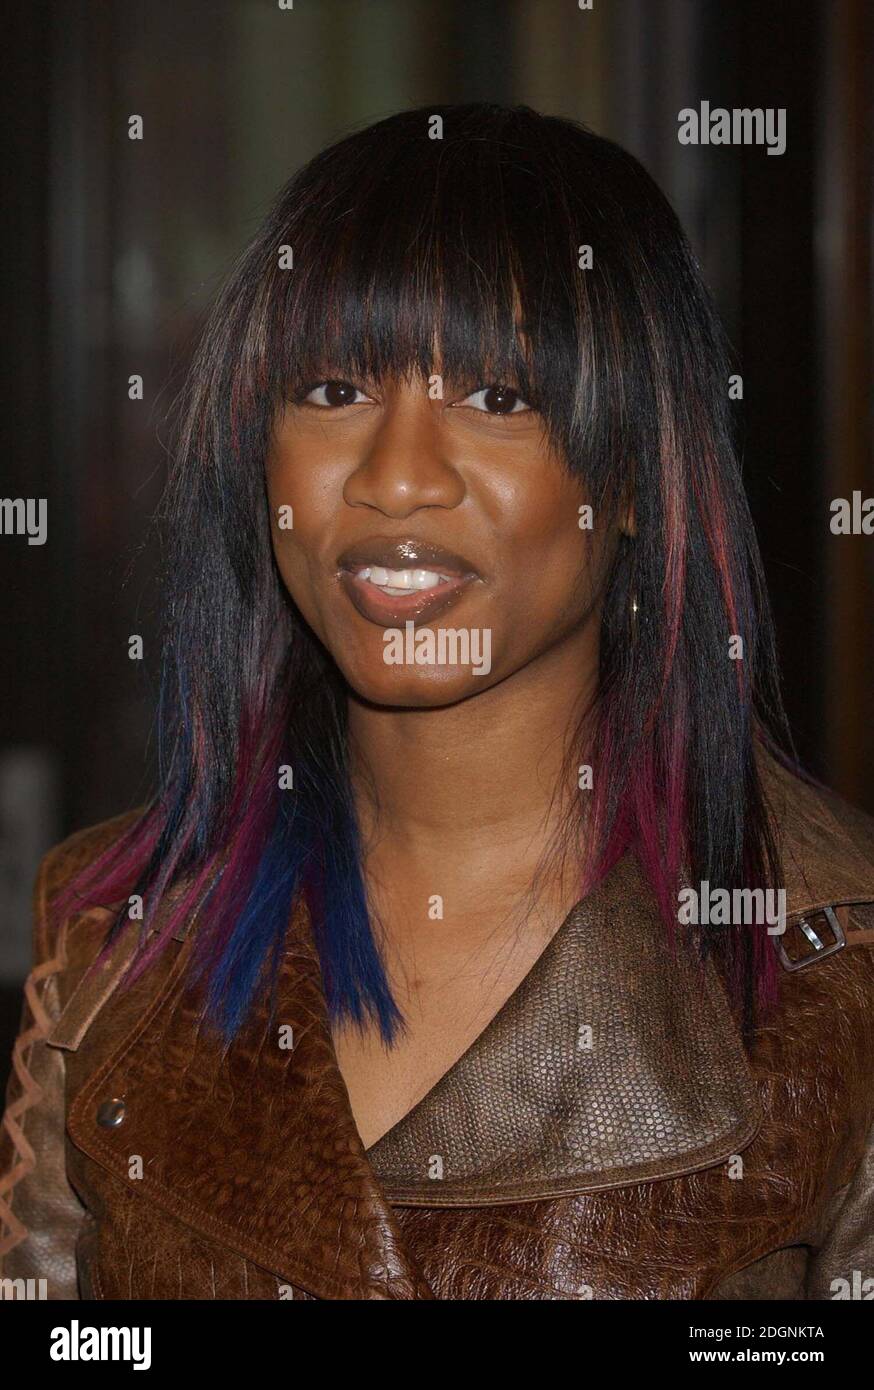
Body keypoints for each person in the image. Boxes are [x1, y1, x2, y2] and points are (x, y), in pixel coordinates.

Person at [2, 103, 873, 1301]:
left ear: (635, 477)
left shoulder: (840, 977)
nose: (396, 475)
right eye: (333, 386)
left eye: (501, 396)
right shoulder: (112, 938)